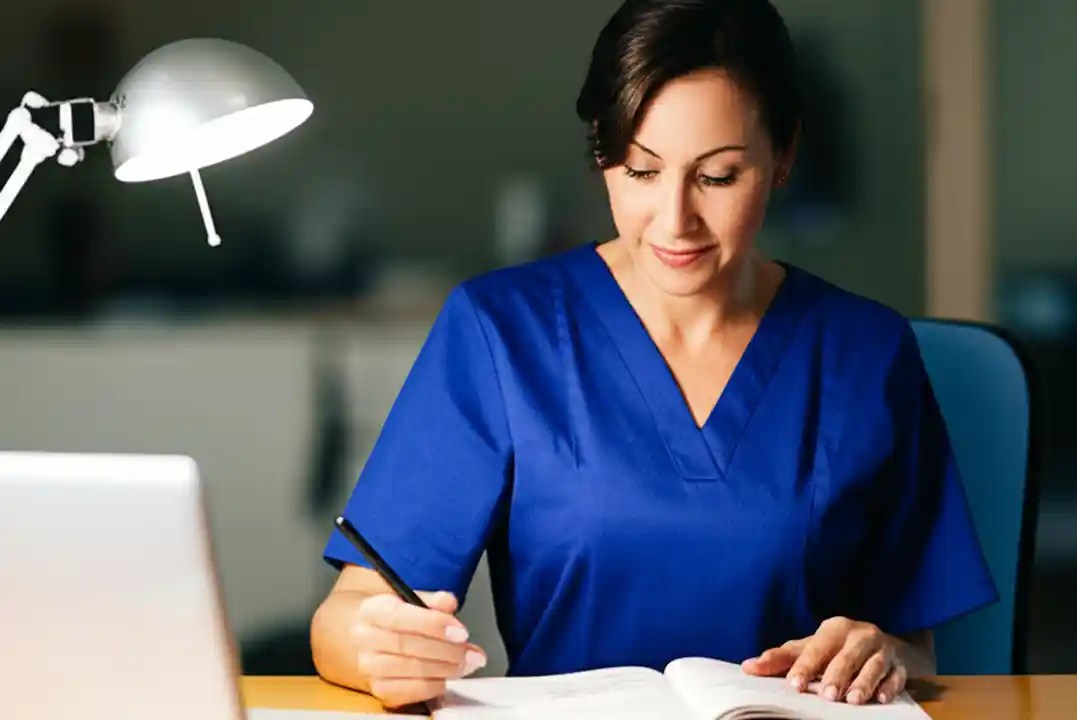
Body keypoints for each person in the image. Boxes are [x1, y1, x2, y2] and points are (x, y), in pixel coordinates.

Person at [310, 0, 996, 710]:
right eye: (641, 172)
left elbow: (915, 646)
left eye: (718, 176)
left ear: (783, 155)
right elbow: (346, 614)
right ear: (603, 155)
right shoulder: (500, 331)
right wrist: (381, 651)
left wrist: (880, 654)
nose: (675, 221)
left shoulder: (866, 354)